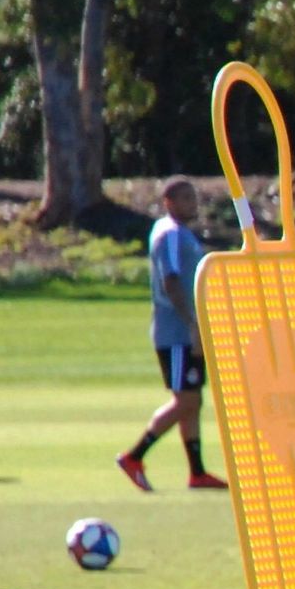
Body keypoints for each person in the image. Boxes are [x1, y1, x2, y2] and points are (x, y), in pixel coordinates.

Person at [118, 179, 228, 493]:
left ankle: (197, 473)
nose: (193, 203)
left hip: (185, 330)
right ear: (168, 201)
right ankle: (134, 456)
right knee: (186, 400)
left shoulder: (180, 234)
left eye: (194, 197)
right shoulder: (169, 234)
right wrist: (192, 324)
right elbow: (171, 282)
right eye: (185, 198)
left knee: (192, 401)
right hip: (176, 332)